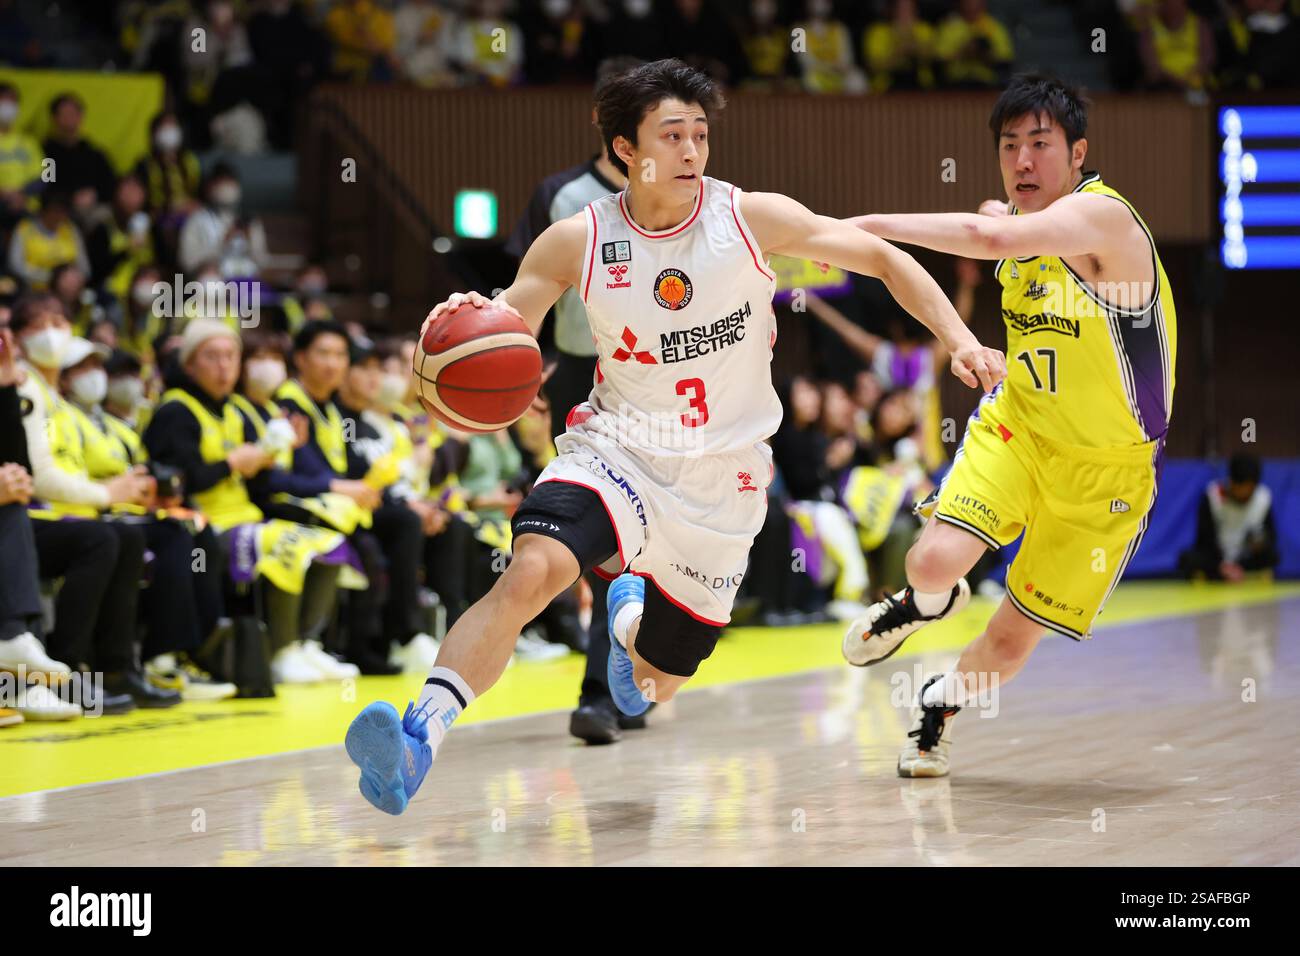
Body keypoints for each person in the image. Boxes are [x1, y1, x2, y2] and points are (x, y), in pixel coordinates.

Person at [343, 59, 1005, 815]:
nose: (693, 151)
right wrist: (451, 347)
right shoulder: (575, 240)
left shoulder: (751, 218)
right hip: (618, 447)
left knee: (656, 685)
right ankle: (416, 738)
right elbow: (501, 331)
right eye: (673, 135)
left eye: (700, 135)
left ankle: (627, 618)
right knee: (530, 571)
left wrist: (957, 339)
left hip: (725, 482)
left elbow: (883, 259)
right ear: (625, 149)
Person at [843, 73, 1178, 777]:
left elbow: (987, 230)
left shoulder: (1106, 222)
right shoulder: (1015, 225)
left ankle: (939, 706)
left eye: (1041, 144)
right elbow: (998, 226)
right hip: (1021, 425)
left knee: (1007, 647)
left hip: (1109, 472)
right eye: (1009, 145)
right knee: (929, 561)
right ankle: (920, 603)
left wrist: (865, 229)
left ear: (1079, 153)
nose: (1023, 160)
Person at [503, 56, 638, 744]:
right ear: (606, 124)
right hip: (580, 377)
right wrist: (527, 374)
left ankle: (626, 673)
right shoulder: (560, 198)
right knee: (589, 534)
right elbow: (520, 294)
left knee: (645, 547)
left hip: (666, 391)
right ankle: (596, 691)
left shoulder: (694, 201)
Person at [1179, 454, 1278, 581]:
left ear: (1255, 486)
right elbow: (1204, 539)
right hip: (1217, 558)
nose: (1244, 493)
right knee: (1187, 559)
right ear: (1231, 481)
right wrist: (1222, 566)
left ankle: (1239, 573)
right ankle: (1225, 574)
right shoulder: (1213, 496)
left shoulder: (1263, 499)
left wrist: (1259, 543)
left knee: (1272, 556)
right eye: (1240, 487)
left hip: (1245, 559)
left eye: (1249, 489)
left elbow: (1270, 536)